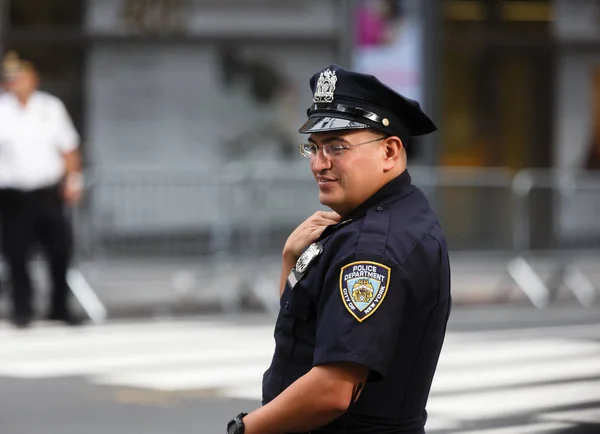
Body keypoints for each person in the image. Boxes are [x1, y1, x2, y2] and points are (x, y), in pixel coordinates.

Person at [226, 65, 451, 434]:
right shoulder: (385, 215)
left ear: (390, 152)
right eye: (314, 148)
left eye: (337, 147)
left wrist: (244, 430)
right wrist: (290, 259)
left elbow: (332, 390)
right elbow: (308, 332)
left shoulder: (372, 246)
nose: (319, 164)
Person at [0, 51, 84, 328]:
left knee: (60, 251)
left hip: (47, 192)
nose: (16, 82)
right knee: (17, 256)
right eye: (11, 78)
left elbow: (68, 147)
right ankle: (22, 309)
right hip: (13, 196)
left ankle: (59, 306)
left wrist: (74, 180)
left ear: (33, 79)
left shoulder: (50, 107)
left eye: (21, 76)